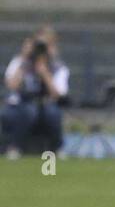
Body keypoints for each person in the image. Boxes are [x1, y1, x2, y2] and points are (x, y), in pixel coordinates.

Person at [3, 26, 69, 159]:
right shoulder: (20, 62)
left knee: (53, 113)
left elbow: (58, 94)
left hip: (46, 104)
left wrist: (44, 72)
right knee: (29, 111)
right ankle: (15, 147)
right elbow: (11, 85)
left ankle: (57, 148)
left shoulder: (57, 67)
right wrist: (25, 61)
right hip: (21, 103)